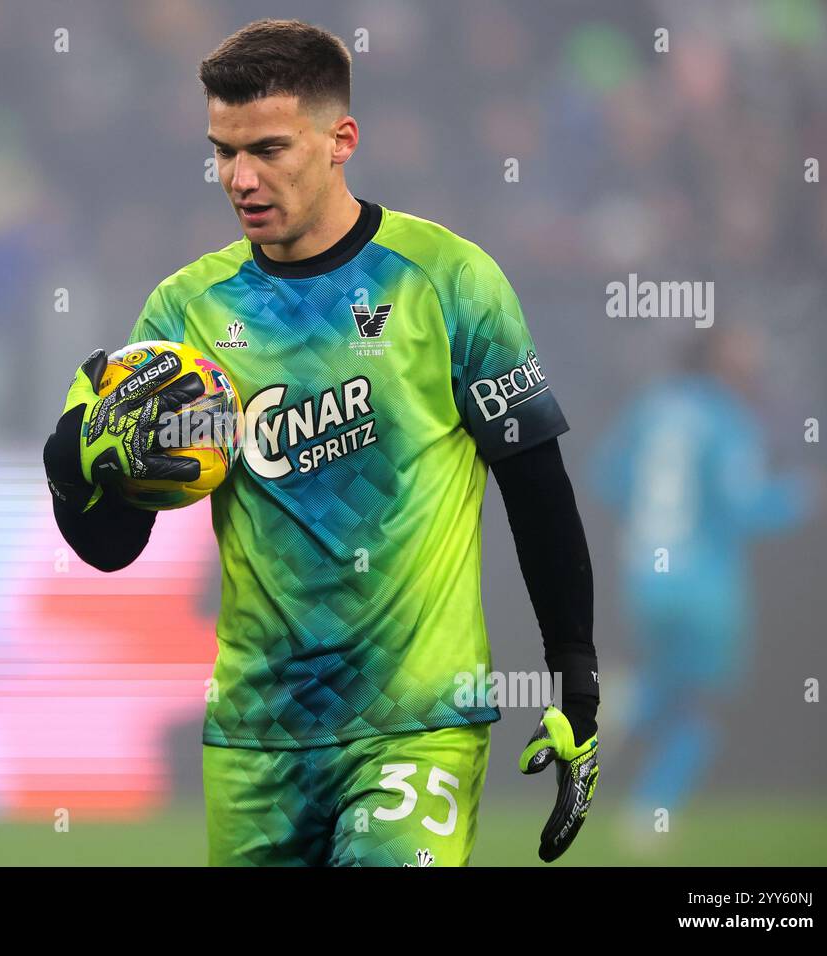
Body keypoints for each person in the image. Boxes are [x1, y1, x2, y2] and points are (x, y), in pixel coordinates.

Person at [43, 19, 600, 866]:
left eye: (267, 148)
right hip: (255, 742)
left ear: (341, 139)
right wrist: (73, 470)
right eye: (223, 151)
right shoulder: (186, 315)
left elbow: (536, 488)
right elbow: (118, 547)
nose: (240, 177)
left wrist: (577, 680)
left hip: (418, 723)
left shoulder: (448, 282)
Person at [589, 326, 812, 836]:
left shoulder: (650, 405)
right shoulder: (728, 415)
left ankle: (635, 745)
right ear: (719, 359)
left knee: (682, 695)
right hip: (706, 584)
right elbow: (744, 507)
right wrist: (798, 496)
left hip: (645, 579)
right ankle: (646, 802)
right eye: (744, 349)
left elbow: (606, 477)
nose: (753, 360)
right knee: (700, 709)